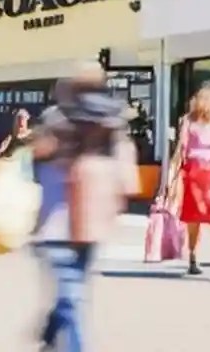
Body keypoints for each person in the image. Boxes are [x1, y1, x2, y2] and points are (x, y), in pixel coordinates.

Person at [32, 69, 139, 352]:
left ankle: (51, 332)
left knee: (72, 294)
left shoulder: (109, 124)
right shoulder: (57, 121)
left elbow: (127, 179)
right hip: (58, 226)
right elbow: (35, 158)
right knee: (73, 295)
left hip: (83, 224)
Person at [168, 86, 210, 283]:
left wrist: (172, 176)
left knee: (193, 218)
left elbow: (182, 148)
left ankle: (193, 257)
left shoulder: (188, 121)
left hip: (193, 173)